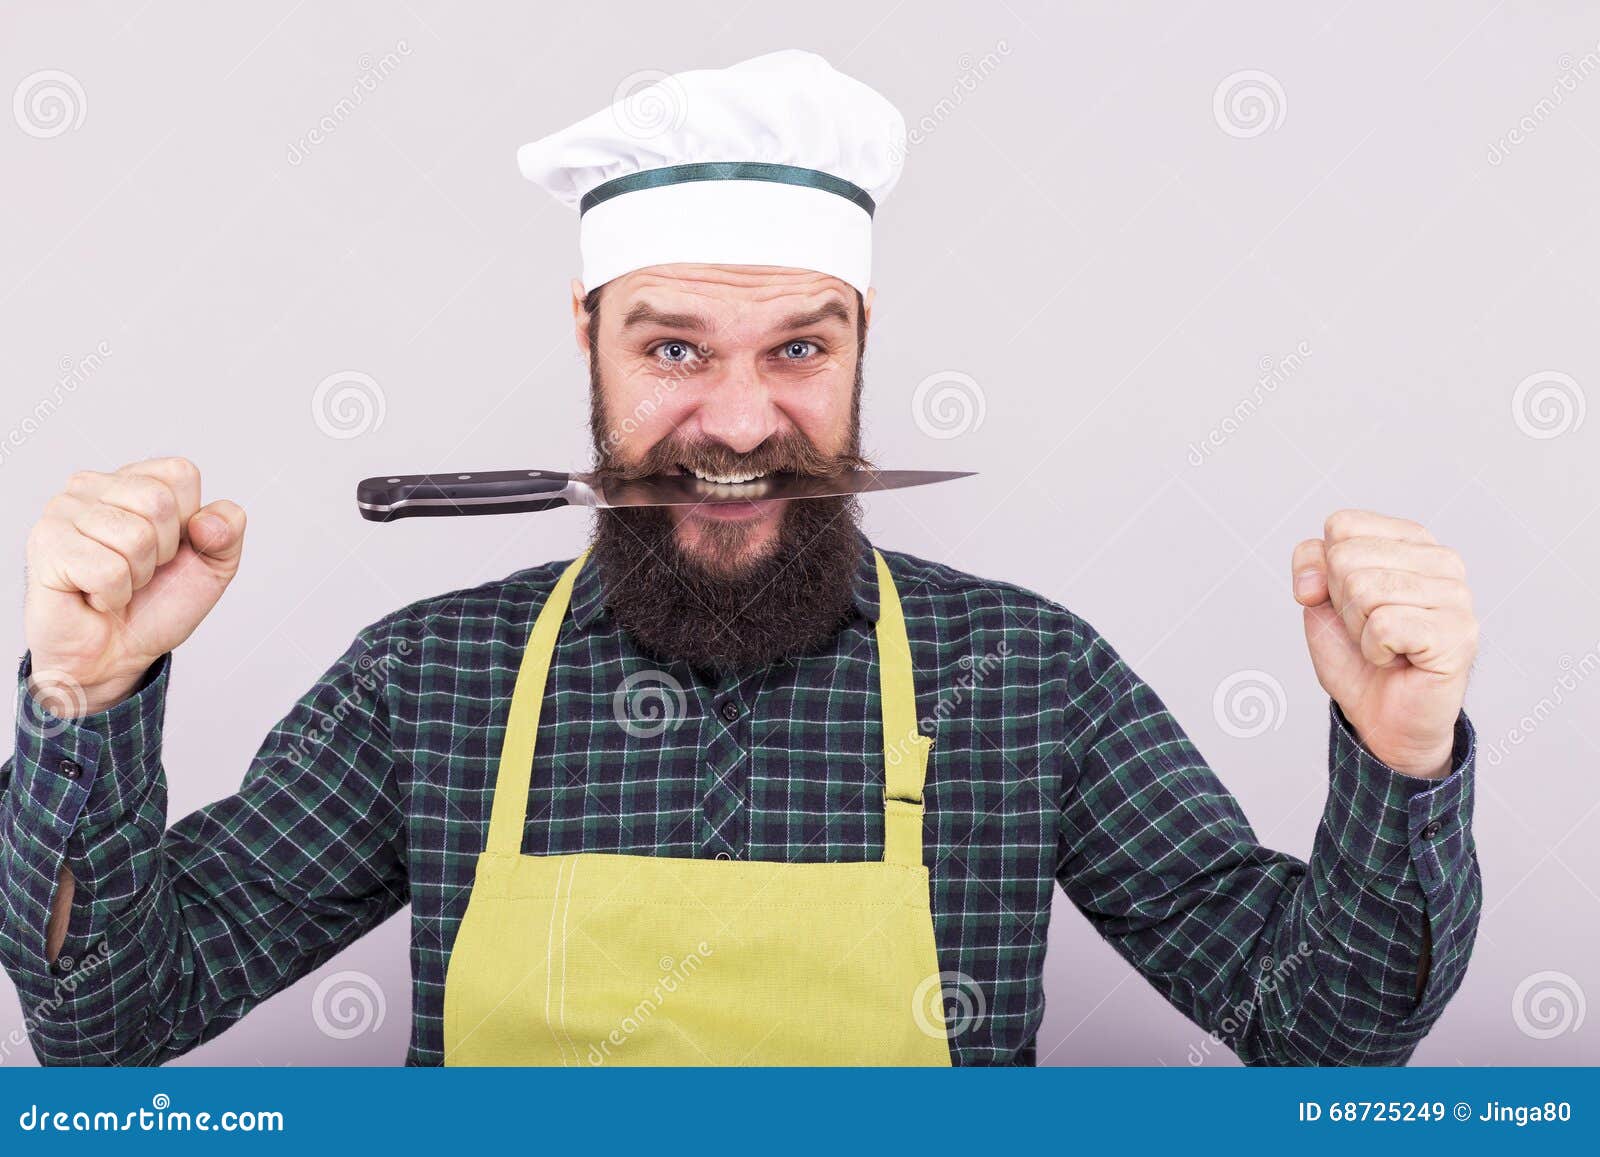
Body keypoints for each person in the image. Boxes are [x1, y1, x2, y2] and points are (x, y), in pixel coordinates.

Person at [0, 50, 1479, 1067]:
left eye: (797, 348)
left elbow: (1318, 1042)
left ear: (859, 347)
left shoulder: (1027, 675)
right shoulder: (427, 679)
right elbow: (111, 1028)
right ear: (584, 336)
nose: (738, 417)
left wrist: (1400, 764)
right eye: (672, 346)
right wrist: (84, 701)